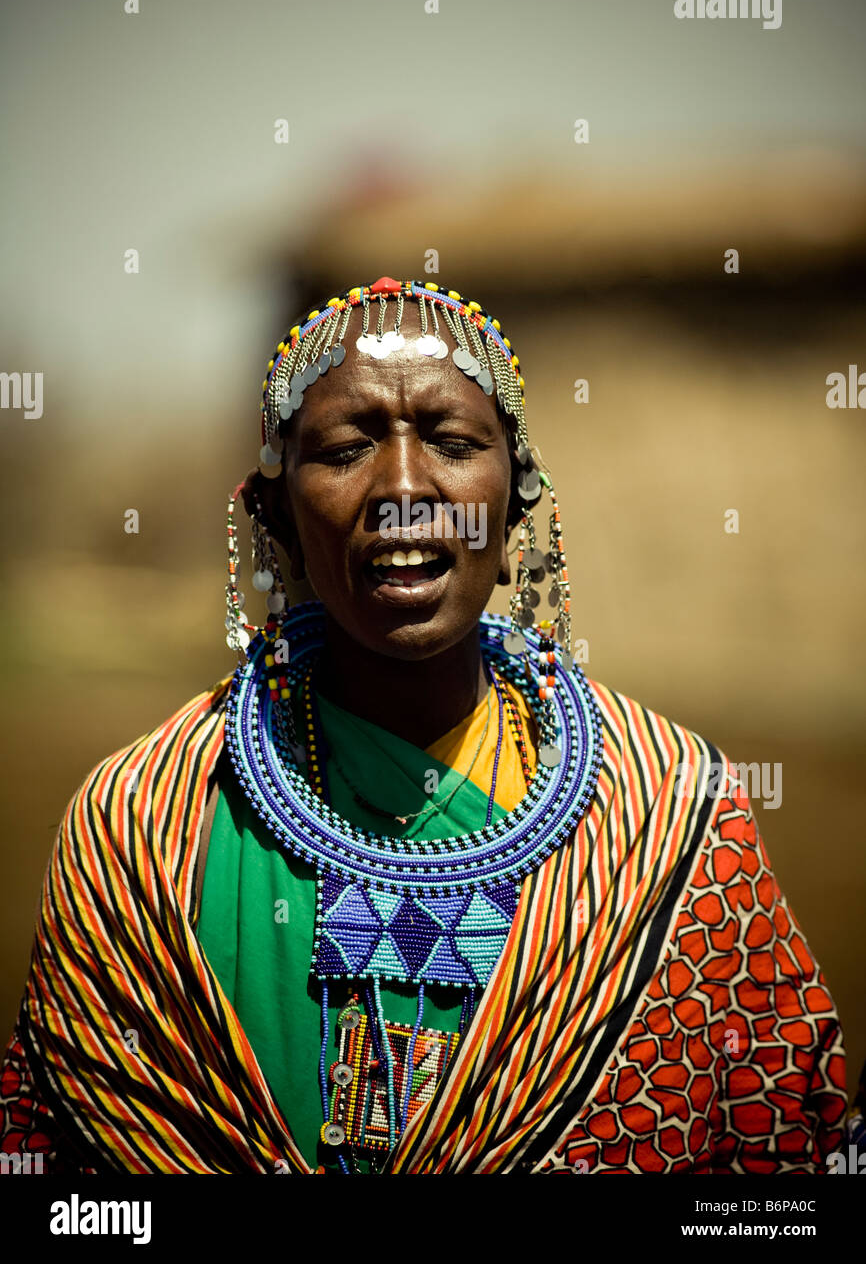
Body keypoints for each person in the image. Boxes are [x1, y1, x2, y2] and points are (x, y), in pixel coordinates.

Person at [0, 276, 849, 1175]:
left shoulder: (672, 817)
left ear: (519, 496)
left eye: (450, 442)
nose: (403, 488)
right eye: (343, 448)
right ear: (274, 511)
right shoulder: (139, 825)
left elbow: (780, 1159)